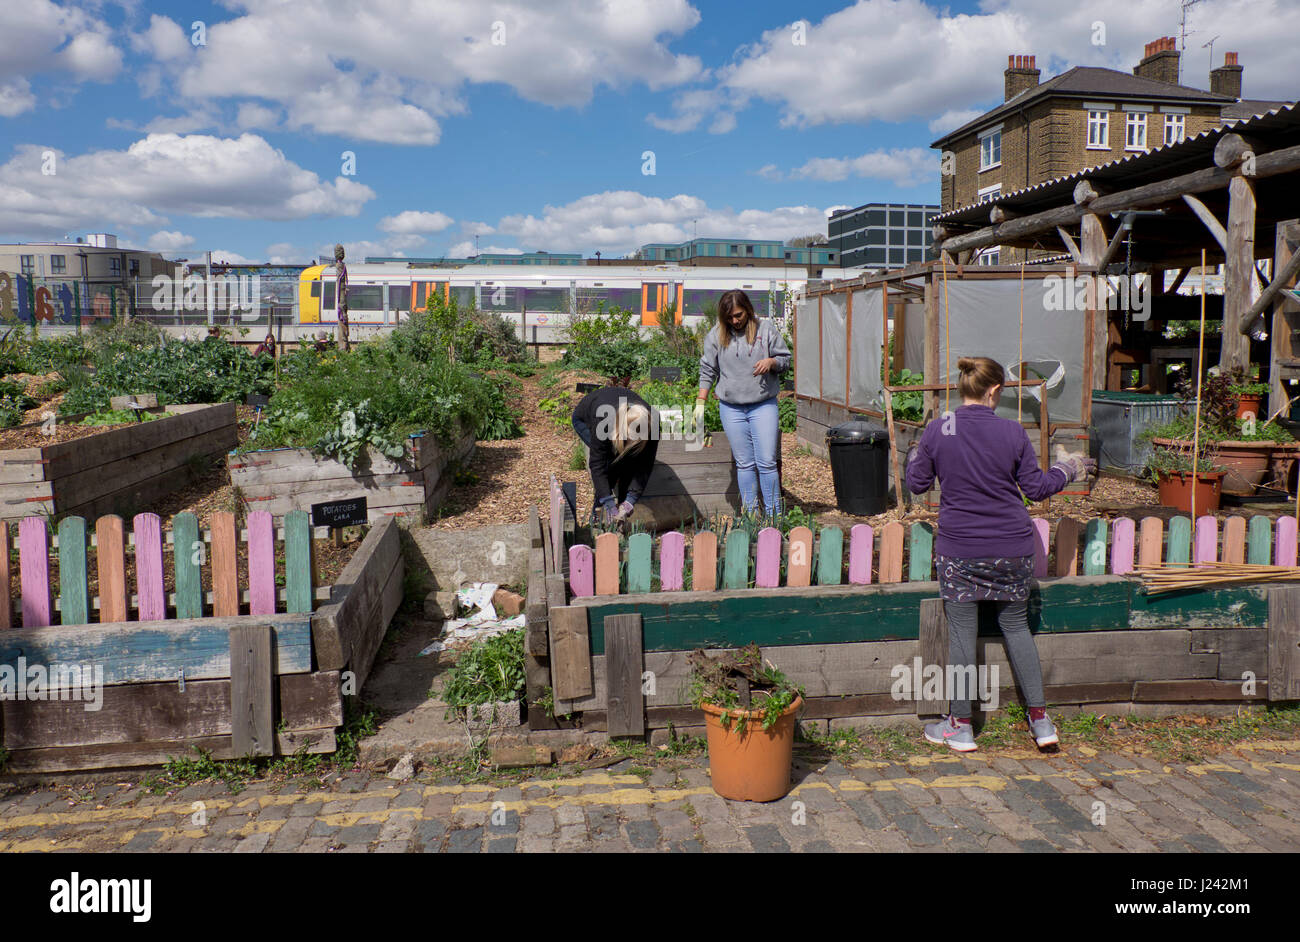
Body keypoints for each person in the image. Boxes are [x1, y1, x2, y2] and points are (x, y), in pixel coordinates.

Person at [904, 355, 1094, 752]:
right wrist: (1069, 469)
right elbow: (1038, 488)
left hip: (961, 551)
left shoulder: (940, 429)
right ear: (994, 391)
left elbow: (917, 482)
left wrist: (916, 453)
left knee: (961, 635)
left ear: (963, 387)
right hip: (1012, 550)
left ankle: (960, 727)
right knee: (1017, 628)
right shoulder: (1012, 432)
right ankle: (1042, 723)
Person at [696, 289, 791, 517]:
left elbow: (785, 359)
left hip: (763, 404)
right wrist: (701, 401)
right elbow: (708, 368)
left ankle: (774, 515)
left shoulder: (765, 330)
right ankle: (750, 515)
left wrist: (772, 362)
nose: (735, 321)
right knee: (745, 464)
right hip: (731, 408)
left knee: (767, 461)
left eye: (738, 315)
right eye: (729, 317)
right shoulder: (717, 334)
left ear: (748, 310)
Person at [571, 386, 659, 525]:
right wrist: (608, 502)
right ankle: (597, 514)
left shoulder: (653, 423)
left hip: (615, 408)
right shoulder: (604, 420)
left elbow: (645, 465)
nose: (631, 443)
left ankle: (622, 508)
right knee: (609, 462)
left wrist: (630, 500)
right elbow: (597, 464)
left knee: (630, 459)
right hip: (584, 418)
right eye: (628, 438)